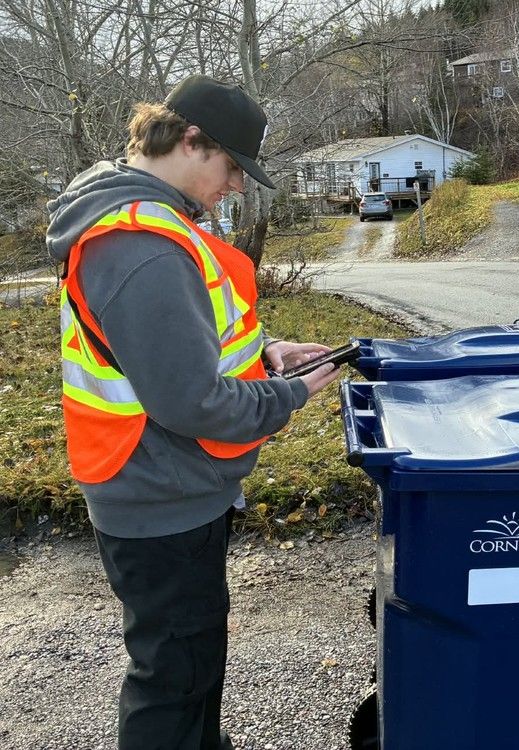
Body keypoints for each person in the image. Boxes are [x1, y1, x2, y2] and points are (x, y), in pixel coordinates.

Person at [45, 75, 342, 749]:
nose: (236, 186)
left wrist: (265, 354)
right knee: (173, 677)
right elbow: (192, 400)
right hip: (156, 493)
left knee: (191, 661)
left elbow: (176, 344)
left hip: (165, 486)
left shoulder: (146, 219)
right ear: (189, 141)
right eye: (234, 167)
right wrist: (291, 393)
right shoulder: (141, 243)